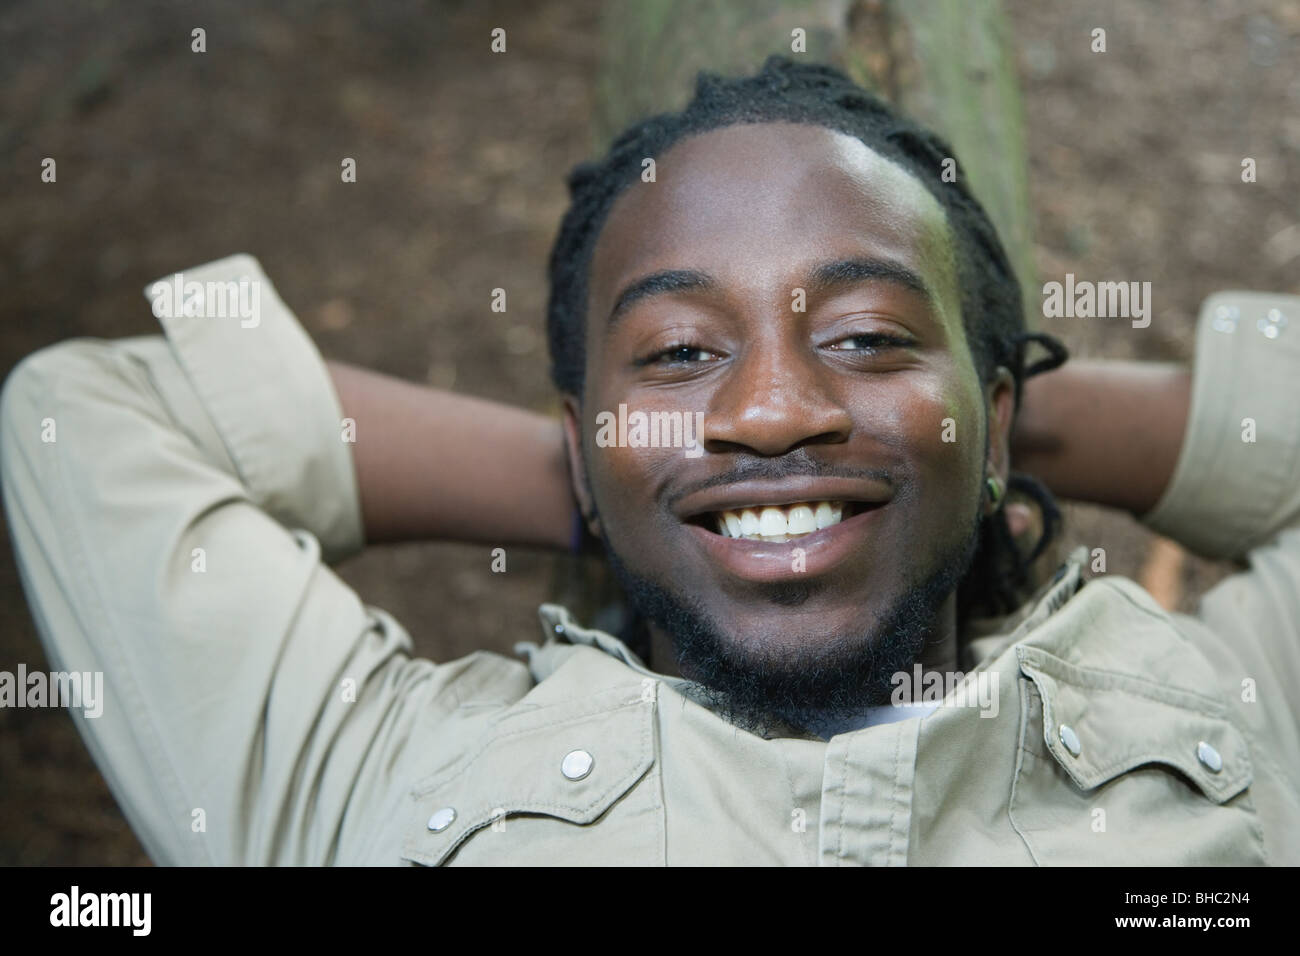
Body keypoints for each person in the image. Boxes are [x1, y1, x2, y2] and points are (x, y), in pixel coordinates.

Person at [2, 57, 1296, 865]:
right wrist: (631, 487)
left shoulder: (1229, 717)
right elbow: (91, 416)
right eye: (678, 354)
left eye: (865, 334)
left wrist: (961, 453)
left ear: (998, 412)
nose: (776, 408)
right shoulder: (368, 785)